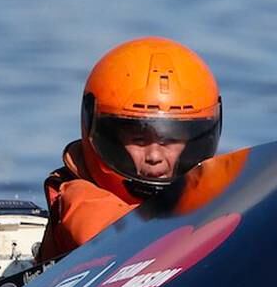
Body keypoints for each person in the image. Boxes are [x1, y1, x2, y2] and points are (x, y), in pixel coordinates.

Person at [35, 37, 223, 263]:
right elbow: (123, 242)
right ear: (107, 134)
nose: (154, 156)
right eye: (139, 140)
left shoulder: (208, 192)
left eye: (170, 141)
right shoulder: (79, 199)